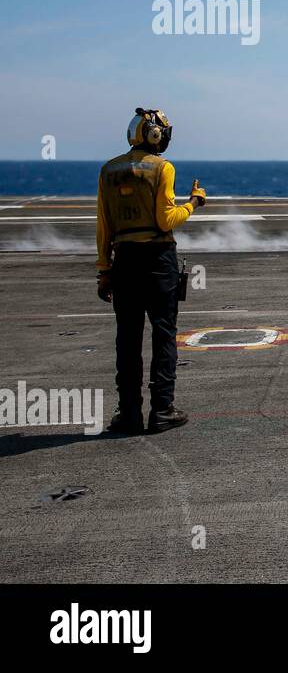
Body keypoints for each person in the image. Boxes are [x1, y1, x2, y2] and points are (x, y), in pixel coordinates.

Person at [96, 108, 206, 434]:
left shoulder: (109, 170)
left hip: (124, 260)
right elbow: (165, 220)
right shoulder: (162, 168)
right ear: (155, 134)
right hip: (158, 260)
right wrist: (194, 203)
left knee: (127, 339)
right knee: (163, 333)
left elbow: (104, 226)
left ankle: (129, 413)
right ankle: (162, 411)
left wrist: (104, 270)